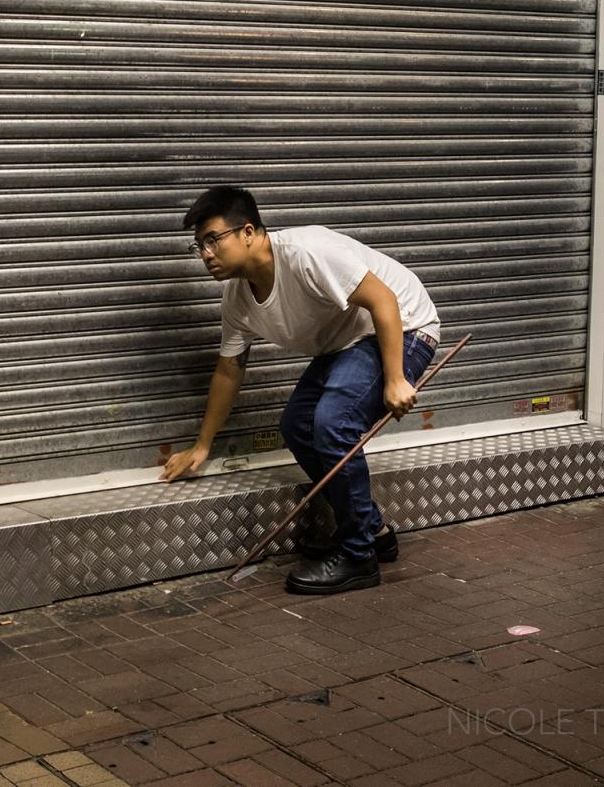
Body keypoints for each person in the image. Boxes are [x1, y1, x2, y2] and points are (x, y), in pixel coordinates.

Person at [162, 185, 441, 596]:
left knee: (332, 424)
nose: (206, 255)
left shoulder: (308, 252)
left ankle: (358, 557)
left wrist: (397, 378)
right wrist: (203, 445)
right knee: (297, 425)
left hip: (405, 326)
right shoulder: (238, 298)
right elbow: (229, 370)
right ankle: (371, 532)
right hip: (346, 344)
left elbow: (383, 300)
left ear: (249, 233)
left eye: (213, 240)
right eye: (199, 245)